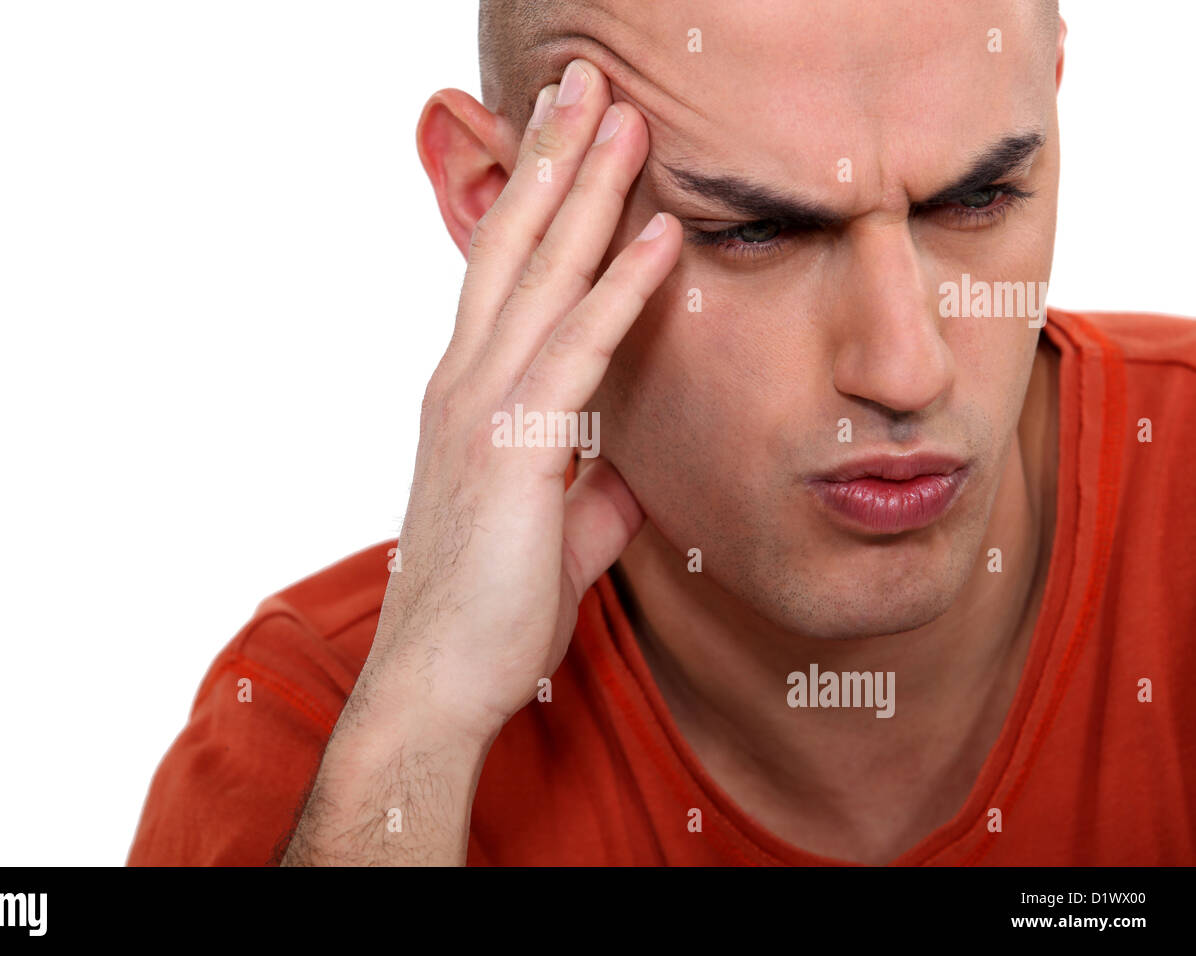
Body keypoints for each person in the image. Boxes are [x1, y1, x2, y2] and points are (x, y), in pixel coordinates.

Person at [127, 0, 1196, 866]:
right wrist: (423, 731)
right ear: (509, 203)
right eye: (755, 231)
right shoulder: (329, 732)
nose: (906, 366)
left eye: (977, 198)